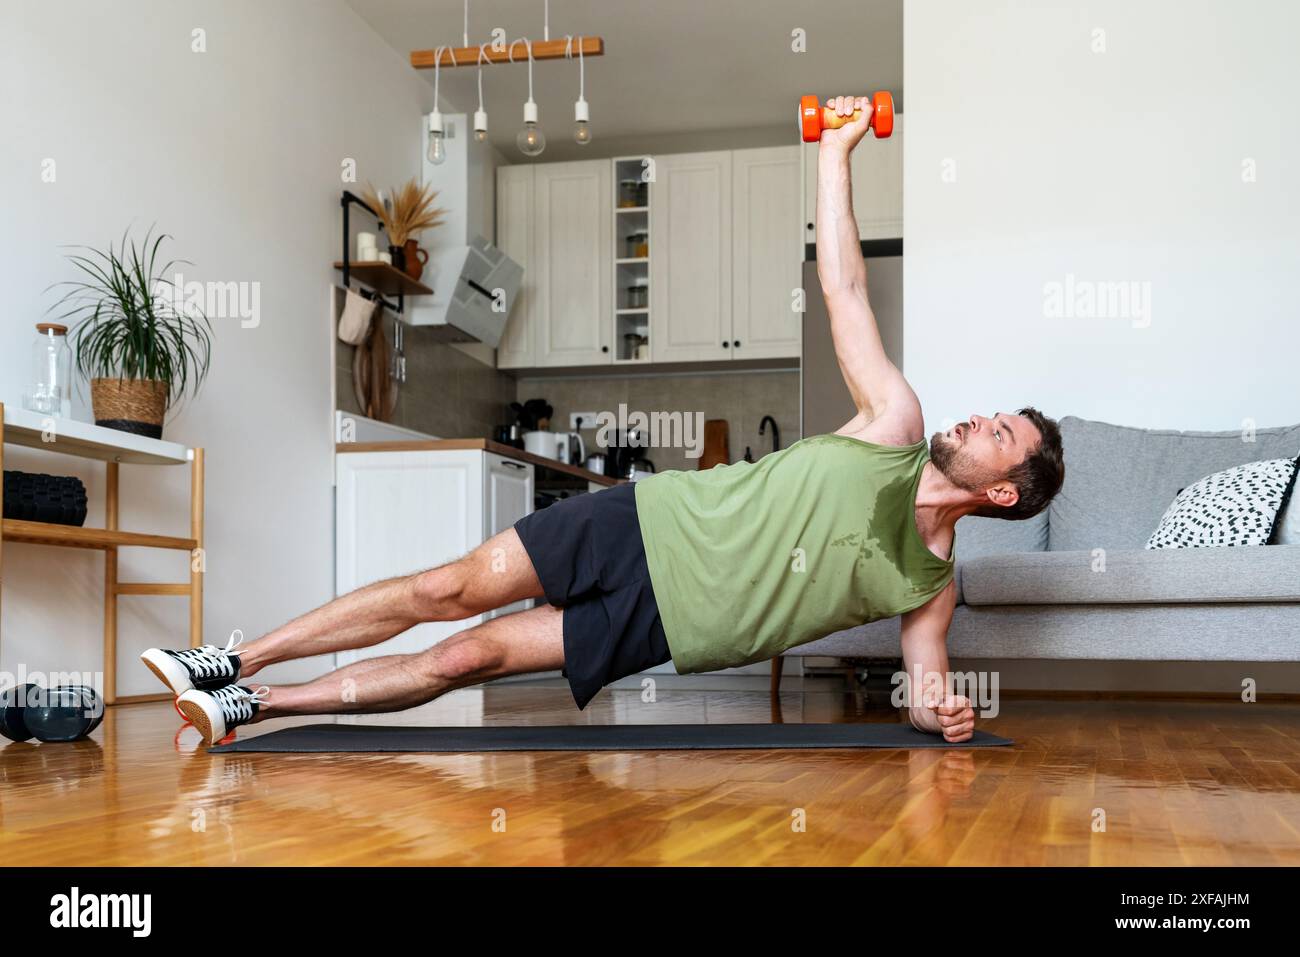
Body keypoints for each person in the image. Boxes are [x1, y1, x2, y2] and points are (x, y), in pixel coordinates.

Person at [143, 95, 1064, 746]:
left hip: (670, 621)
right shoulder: (896, 425)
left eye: (999, 433)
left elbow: (925, 687)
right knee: (445, 591)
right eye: (992, 416)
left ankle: (256, 705)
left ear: (1001, 488)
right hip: (641, 522)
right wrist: (835, 153)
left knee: (468, 655)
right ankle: (231, 656)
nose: (979, 419)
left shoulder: (930, 583)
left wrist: (938, 715)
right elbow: (844, 285)